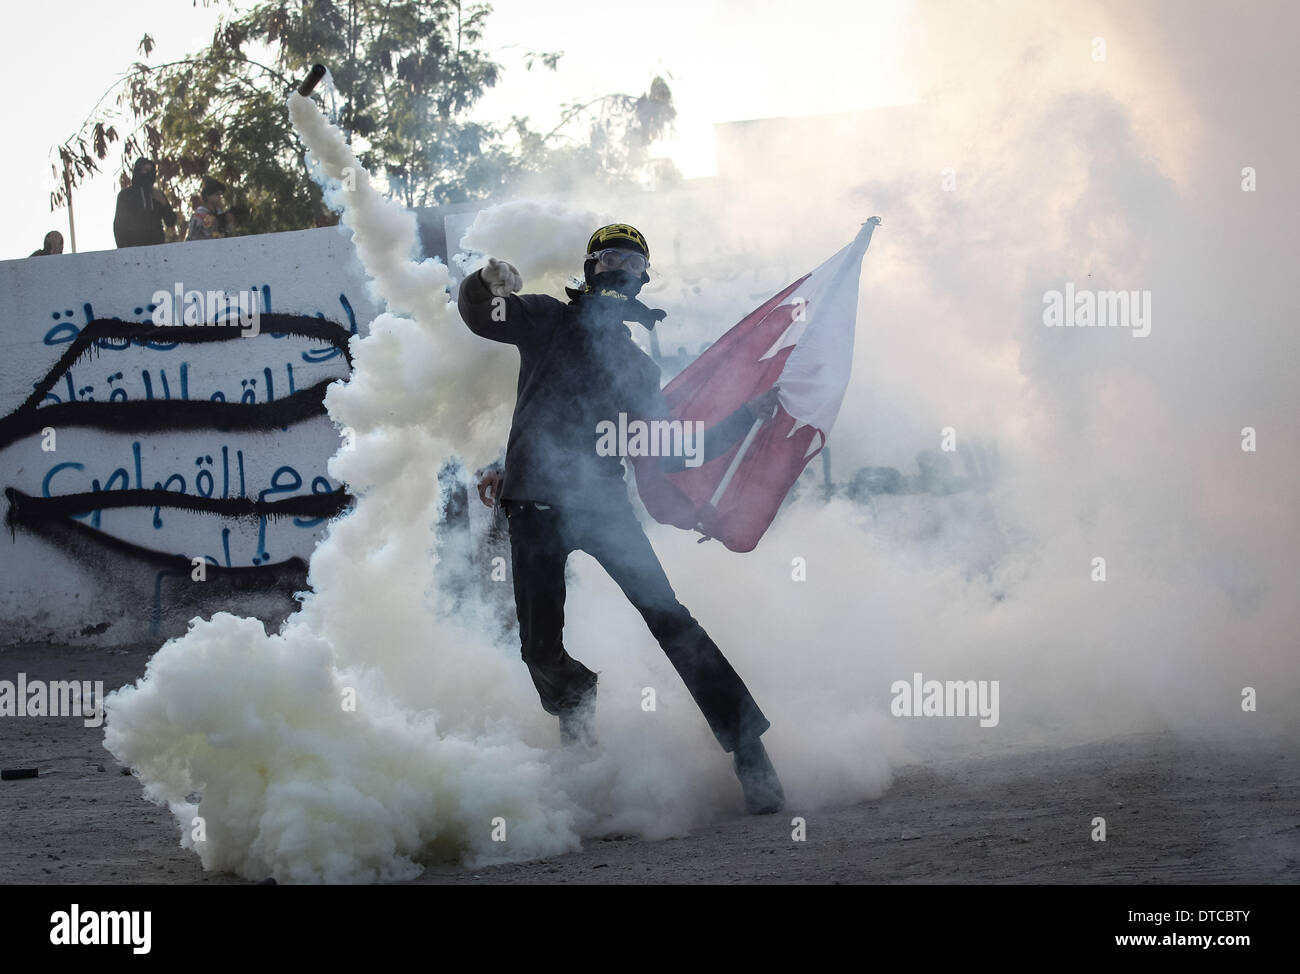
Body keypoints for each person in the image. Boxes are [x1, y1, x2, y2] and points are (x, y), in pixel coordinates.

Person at [458, 223, 786, 814]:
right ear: (590, 269)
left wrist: (743, 420)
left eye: (629, 261)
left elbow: (664, 450)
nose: (618, 267)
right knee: (538, 649)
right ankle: (577, 710)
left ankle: (749, 752)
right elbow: (484, 316)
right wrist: (485, 283)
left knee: (672, 621)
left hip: (604, 508)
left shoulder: (637, 370)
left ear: (643, 278)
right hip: (534, 506)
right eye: (607, 257)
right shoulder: (545, 320)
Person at [113, 158, 177, 248]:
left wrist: (163, 203)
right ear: (138, 171)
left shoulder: (157, 194)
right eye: (145, 170)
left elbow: (171, 221)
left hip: (156, 248)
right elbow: (119, 225)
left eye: (151, 171)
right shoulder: (125, 195)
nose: (148, 174)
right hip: (132, 247)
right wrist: (123, 249)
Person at [185, 177, 235, 241]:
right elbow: (191, 238)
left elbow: (227, 235)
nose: (219, 198)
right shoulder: (199, 215)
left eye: (220, 195)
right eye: (217, 194)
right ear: (208, 195)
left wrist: (229, 223)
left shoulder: (219, 212)